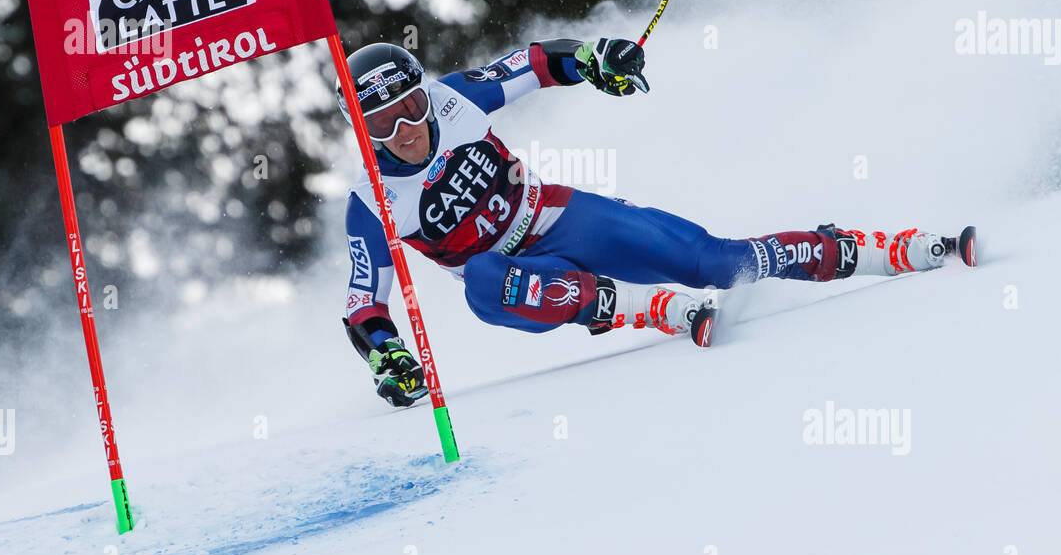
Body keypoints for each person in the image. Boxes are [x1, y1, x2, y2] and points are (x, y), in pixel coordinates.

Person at [338, 38, 975, 406]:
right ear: (362, 134)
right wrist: (388, 357)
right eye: (383, 124)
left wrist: (595, 59)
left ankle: (876, 249)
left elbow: (535, 63)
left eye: (412, 106)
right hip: (519, 279)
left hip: (560, 217)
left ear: (426, 93)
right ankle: (652, 309)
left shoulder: (455, 101)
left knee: (718, 262)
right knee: (480, 280)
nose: (409, 130)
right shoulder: (370, 202)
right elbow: (363, 304)